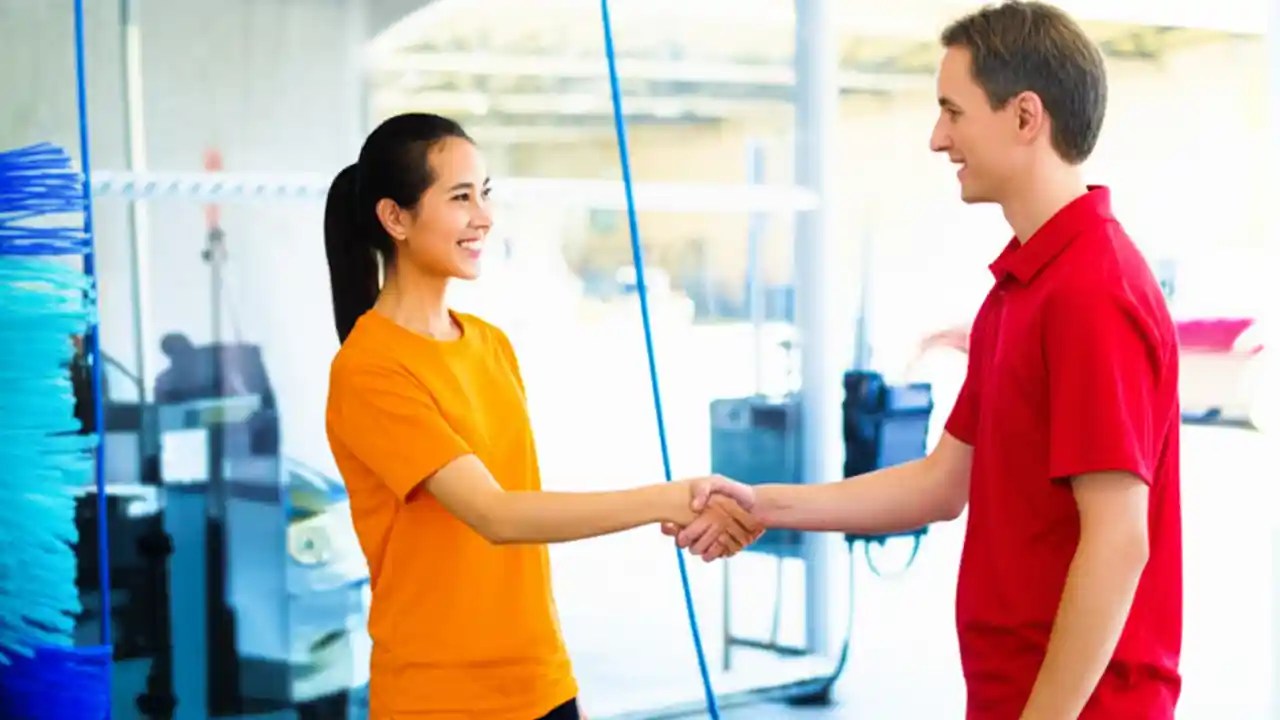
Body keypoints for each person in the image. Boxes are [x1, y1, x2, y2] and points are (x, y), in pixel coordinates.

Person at [672, 3, 1183, 718]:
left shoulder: (1093, 292)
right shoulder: (1020, 289)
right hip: (1014, 694)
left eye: (953, 111)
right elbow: (942, 483)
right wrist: (766, 504)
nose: (938, 138)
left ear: (1025, 117)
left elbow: (1119, 539)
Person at [322, 112, 762, 720]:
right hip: (440, 698)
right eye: (459, 197)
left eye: (485, 193)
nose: (484, 216)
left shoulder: (489, 343)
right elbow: (496, 514)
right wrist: (672, 498)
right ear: (394, 217)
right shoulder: (369, 370)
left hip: (541, 681)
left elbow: (518, 504)